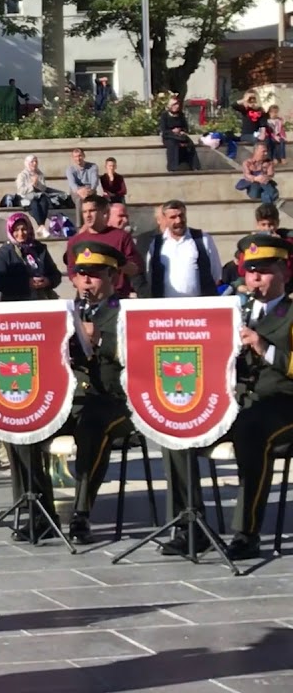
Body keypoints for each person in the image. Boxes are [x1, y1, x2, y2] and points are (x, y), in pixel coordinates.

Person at [226, 234, 293, 559]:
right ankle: (187, 525)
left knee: (251, 434)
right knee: (179, 429)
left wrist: (262, 346)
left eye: (263, 270)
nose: (254, 278)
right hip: (241, 402)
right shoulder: (238, 310)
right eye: (250, 271)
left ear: (284, 273)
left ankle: (246, 533)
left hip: (283, 405)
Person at [62, 240, 128, 545]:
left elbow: (134, 360)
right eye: (81, 273)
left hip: (113, 401)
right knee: (24, 418)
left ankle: (81, 512)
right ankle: (34, 506)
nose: (86, 280)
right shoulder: (65, 313)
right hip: (71, 398)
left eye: (95, 274)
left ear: (113, 278)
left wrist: (100, 341)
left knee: (93, 425)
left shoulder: (125, 313)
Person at [132, 200, 223, 299]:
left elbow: (215, 272)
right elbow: (150, 274)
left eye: (181, 215)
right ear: (165, 219)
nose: (178, 221)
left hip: (198, 306)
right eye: (173, 217)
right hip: (165, 306)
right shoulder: (155, 243)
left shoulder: (202, 239)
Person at [65, 195, 141, 298]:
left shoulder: (121, 237)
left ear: (104, 213)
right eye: (84, 212)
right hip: (86, 298)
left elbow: (135, 268)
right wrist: (82, 285)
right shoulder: (75, 241)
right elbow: (71, 271)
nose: (88, 215)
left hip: (117, 297)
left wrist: (115, 262)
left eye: (92, 211)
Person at [0, 212, 62, 302]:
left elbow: (56, 275)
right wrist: (26, 283)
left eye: (24, 229)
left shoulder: (39, 249)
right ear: (11, 231)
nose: (21, 233)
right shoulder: (4, 253)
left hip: (41, 302)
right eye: (16, 230)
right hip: (17, 305)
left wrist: (47, 281)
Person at [159, 97, 200, 171]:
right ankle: (172, 167)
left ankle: (195, 166)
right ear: (170, 106)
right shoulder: (164, 115)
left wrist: (182, 131)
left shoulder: (181, 115)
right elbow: (164, 130)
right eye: (174, 104)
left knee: (190, 144)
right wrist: (173, 131)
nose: (177, 106)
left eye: (177, 104)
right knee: (173, 144)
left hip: (180, 136)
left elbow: (185, 127)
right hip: (169, 136)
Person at [15, 155, 52, 233]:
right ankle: (41, 225)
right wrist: (32, 185)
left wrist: (37, 184)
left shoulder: (40, 174)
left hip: (38, 196)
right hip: (25, 197)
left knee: (44, 202)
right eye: (32, 162)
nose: (34, 163)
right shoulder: (22, 175)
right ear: (27, 163)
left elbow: (44, 188)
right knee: (34, 203)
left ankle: (41, 225)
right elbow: (21, 190)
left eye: (36, 161)